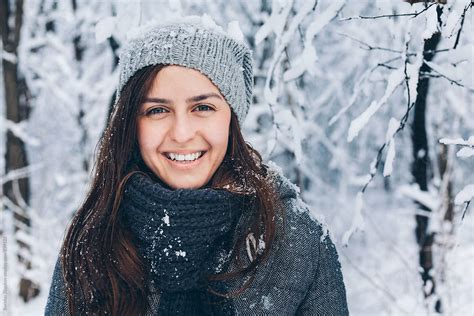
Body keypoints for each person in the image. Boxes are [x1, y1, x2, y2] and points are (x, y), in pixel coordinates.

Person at [45, 16, 349, 315]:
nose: (181, 133)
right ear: (130, 124)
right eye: (157, 110)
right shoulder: (93, 243)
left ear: (231, 119)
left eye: (203, 107)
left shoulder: (294, 238)